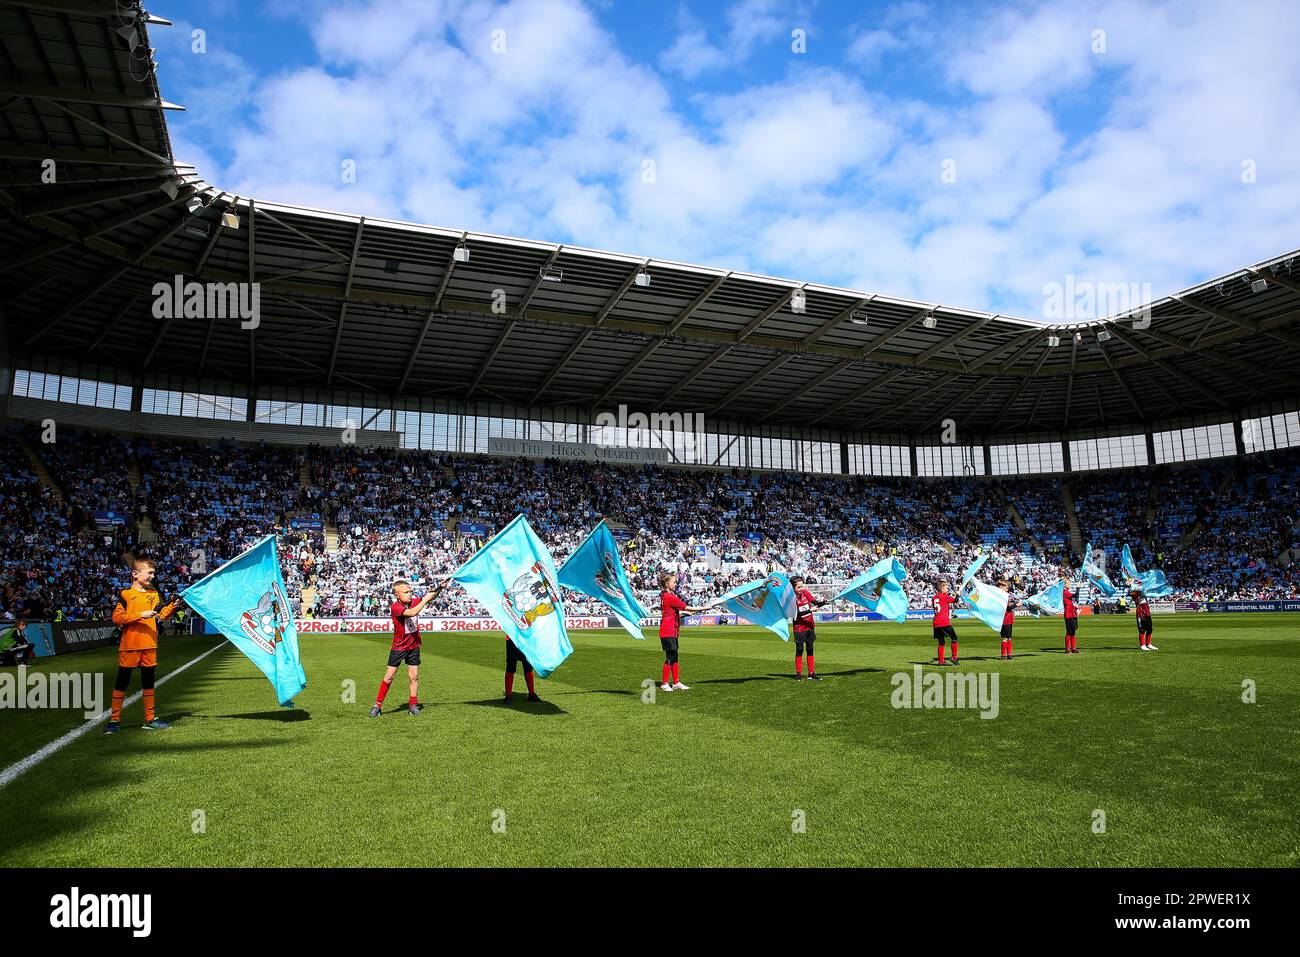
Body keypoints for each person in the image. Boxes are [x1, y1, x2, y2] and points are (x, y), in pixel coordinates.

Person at [106, 557, 180, 734]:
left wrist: (173, 606)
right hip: (130, 645)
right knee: (122, 681)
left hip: (149, 644)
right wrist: (141, 614)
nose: (153, 576)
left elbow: (162, 614)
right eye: (150, 573)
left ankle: (150, 719)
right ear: (135, 574)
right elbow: (117, 618)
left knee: (148, 683)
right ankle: (114, 720)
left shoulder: (153, 594)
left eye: (153, 573)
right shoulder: (125, 594)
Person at [369, 579, 442, 717]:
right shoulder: (395, 607)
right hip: (399, 647)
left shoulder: (414, 601)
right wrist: (425, 599)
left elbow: (431, 596)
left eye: (411, 592)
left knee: (414, 676)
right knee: (389, 676)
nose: (410, 594)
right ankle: (377, 705)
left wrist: (440, 588)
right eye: (406, 592)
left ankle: (413, 705)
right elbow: (411, 613)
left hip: (413, 645)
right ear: (397, 595)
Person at [658, 572, 708, 692]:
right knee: (671, 657)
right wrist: (704, 608)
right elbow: (685, 607)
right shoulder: (669, 597)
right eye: (673, 582)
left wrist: (685, 614)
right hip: (668, 631)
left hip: (671, 631)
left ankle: (676, 682)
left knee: (675, 657)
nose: (675, 584)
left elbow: (673, 613)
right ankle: (665, 683)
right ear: (666, 583)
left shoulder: (665, 596)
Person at [791, 575, 826, 680]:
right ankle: (799, 673)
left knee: (810, 649)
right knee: (799, 649)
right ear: (793, 587)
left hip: (809, 625)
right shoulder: (791, 599)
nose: (801, 589)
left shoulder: (805, 593)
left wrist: (823, 603)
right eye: (799, 587)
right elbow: (796, 615)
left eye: (802, 586)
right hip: (799, 627)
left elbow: (815, 603)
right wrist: (810, 610)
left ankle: (811, 672)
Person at [503, 636, 540, 704]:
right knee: (510, 667)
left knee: (528, 667)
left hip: (527, 640)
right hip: (512, 640)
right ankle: (508, 695)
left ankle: (531, 693)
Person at [932, 580, 959, 665]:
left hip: (936, 622)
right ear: (942, 588)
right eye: (946, 587)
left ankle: (941, 661)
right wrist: (957, 594)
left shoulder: (934, 598)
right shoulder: (945, 597)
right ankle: (954, 658)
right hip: (944, 622)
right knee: (954, 638)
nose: (947, 589)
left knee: (941, 642)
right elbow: (955, 600)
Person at [1062, 579, 1081, 654]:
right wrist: (1078, 588)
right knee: (1069, 632)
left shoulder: (1067, 592)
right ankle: (1067, 648)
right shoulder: (1065, 592)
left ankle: (1073, 648)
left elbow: (1075, 597)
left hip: (1072, 613)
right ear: (1064, 585)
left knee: (1073, 631)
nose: (1069, 585)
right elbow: (1075, 595)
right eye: (1068, 584)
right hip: (1068, 614)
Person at [998, 580, 1016, 660]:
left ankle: (1008, 654)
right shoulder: (1003, 596)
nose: (1007, 588)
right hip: (1006, 619)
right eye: (1006, 586)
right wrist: (1017, 604)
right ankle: (1004, 655)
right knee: (1006, 638)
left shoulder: (1003, 596)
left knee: (1008, 637)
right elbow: (1008, 607)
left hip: (1007, 619)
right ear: (1001, 587)